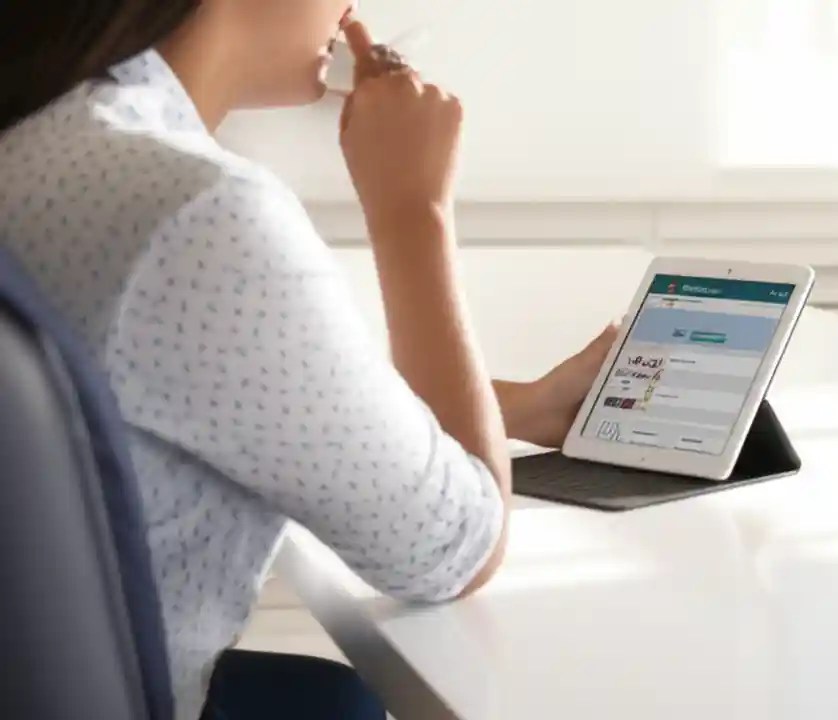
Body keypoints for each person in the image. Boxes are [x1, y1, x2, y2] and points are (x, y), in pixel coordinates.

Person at [0, 2, 617, 718]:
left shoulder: (48, 140)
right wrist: (413, 209)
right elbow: (455, 546)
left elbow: (162, 390)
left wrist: (516, 406)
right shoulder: (198, 213)